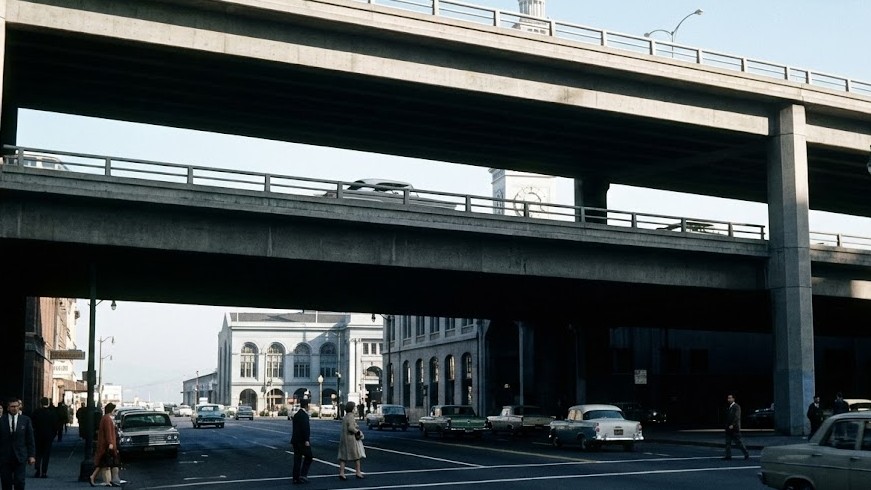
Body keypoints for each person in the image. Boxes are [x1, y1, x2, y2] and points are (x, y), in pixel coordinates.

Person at [0, 398, 36, 490]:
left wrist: (31, 455)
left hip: (20, 456)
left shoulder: (25, 420)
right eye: (12, 406)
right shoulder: (2, 420)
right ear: (8, 408)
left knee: (20, 481)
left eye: (16, 406)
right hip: (5, 456)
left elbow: (30, 439)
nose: (15, 408)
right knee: (6, 481)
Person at [89, 403, 120, 487]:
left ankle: (96, 478)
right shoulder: (107, 419)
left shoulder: (106, 418)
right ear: (111, 410)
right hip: (106, 445)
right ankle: (107, 480)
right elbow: (108, 432)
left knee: (103, 463)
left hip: (106, 444)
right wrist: (110, 443)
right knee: (106, 463)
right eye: (114, 410)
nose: (115, 412)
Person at [337, 401, 365, 480]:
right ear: (352, 408)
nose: (355, 409)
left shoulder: (345, 417)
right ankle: (358, 472)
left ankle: (342, 473)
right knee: (357, 456)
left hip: (344, 439)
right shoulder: (351, 416)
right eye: (354, 407)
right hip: (351, 439)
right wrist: (357, 432)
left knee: (343, 457)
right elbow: (351, 428)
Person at [30, 397, 57, 479]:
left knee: (38, 453)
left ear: (41, 403)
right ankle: (44, 472)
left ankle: (37, 470)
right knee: (46, 454)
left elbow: (32, 424)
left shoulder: (36, 412)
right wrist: (53, 435)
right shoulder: (52, 413)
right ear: (48, 403)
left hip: (38, 435)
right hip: (48, 436)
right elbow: (55, 426)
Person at [290, 398, 313, 485]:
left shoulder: (296, 415)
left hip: (295, 440)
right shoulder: (304, 416)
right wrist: (306, 440)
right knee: (309, 457)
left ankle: (295, 477)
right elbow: (305, 428)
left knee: (297, 459)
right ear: (307, 406)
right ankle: (303, 475)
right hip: (302, 441)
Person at [724, 394, 749, 461]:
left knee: (738, 442)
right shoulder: (729, 407)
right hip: (728, 428)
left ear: (733, 399)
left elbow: (737, 416)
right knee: (727, 443)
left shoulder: (736, 406)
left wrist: (733, 424)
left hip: (735, 428)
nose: (729, 399)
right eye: (728, 398)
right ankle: (728, 456)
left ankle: (746, 453)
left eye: (730, 398)